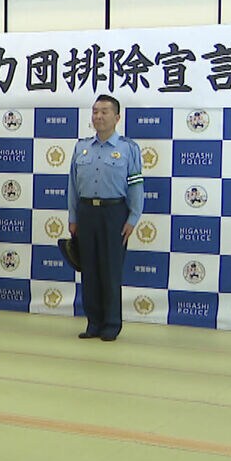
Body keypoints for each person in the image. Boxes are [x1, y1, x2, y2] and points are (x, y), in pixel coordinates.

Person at [68, 94, 144, 342]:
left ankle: (111, 324)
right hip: (87, 212)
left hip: (114, 213)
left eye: (104, 112)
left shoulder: (128, 149)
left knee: (110, 271)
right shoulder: (82, 147)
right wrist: (73, 216)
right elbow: (72, 185)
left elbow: (135, 187)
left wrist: (133, 218)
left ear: (117, 117)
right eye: (95, 111)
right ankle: (93, 322)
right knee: (89, 270)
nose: (98, 116)